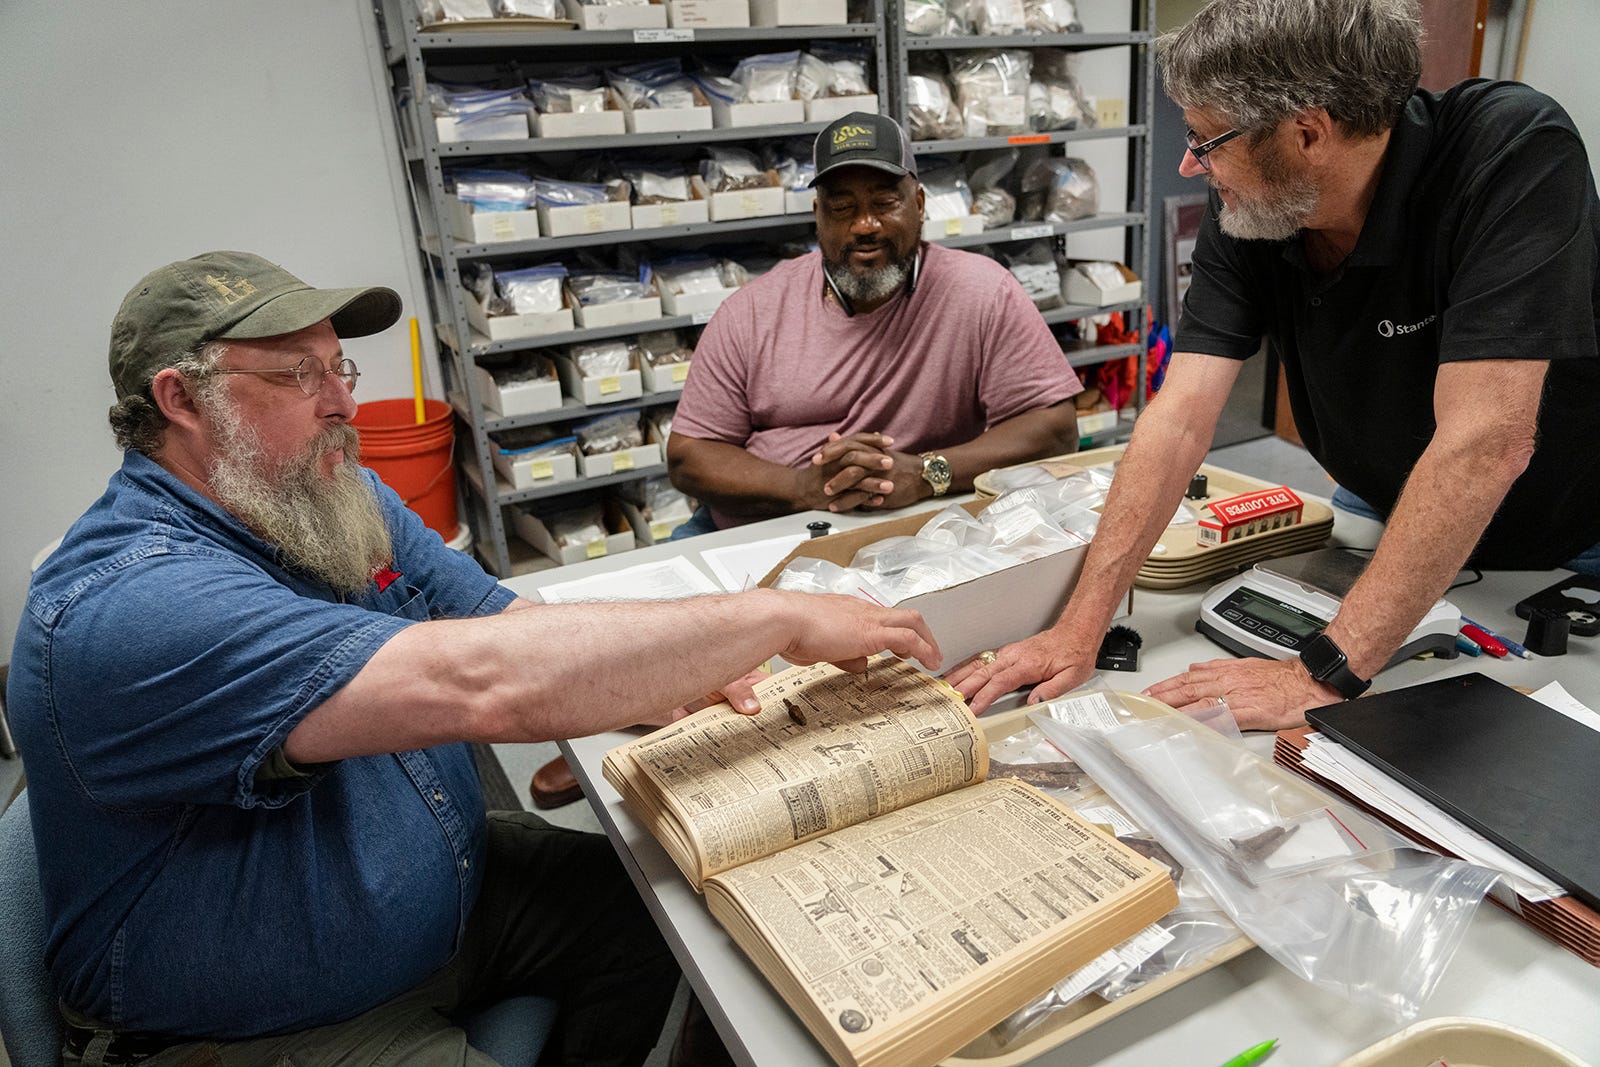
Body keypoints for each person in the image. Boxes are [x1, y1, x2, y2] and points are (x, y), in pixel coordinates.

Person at [5, 251, 942, 1066]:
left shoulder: (325, 492)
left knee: (656, 916)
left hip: (433, 905)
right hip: (258, 1021)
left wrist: (674, 672)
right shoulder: (133, 606)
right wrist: (770, 616)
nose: (344, 405)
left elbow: (502, 620)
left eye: (342, 367)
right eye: (299, 376)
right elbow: (480, 678)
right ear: (181, 400)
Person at [950, 0, 1600, 729]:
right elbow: (1180, 416)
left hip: (1571, 537)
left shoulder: (1512, 151)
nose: (1187, 161)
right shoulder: (1255, 201)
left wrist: (1320, 672)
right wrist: (1080, 625)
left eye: (1205, 139)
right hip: (1393, 509)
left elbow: (1487, 440)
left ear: (1307, 133)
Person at [666, 111, 1085, 534]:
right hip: (764, 523)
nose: (865, 225)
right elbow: (689, 457)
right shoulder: (751, 312)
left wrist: (928, 473)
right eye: (842, 207)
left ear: (919, 205)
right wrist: (802, 487)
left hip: (920, 527)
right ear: (818, 216)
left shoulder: (982, 294)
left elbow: (1055, 429)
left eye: (885, 203)